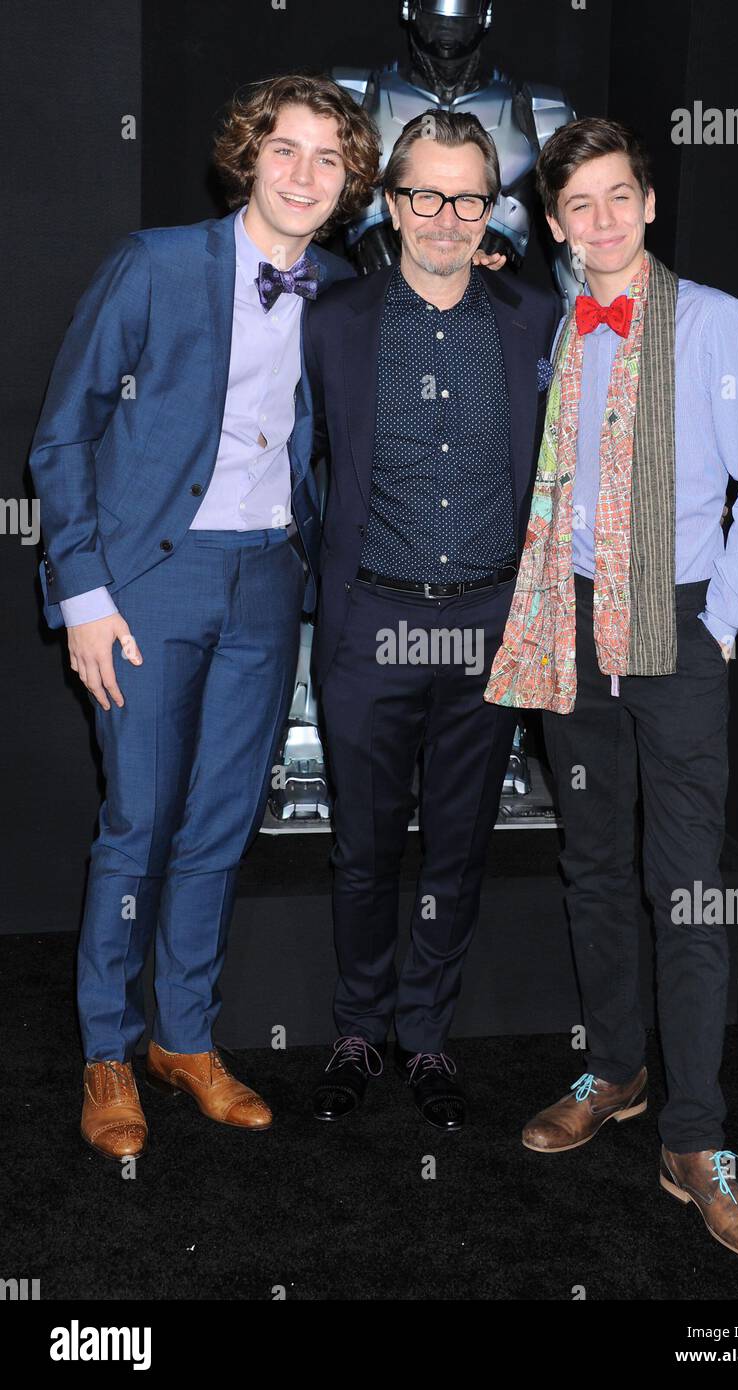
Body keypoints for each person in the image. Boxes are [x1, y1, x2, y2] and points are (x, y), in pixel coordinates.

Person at [28, 74, 379, 1161]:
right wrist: (82, 593)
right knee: (137, 824)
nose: (304, 172)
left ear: (348, 184)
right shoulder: (157, 262)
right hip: (148, 584)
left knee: (222, 827)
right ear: (247, 156)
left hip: (268, 585)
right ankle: (105, 1047)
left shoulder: (338, 284)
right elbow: (63, 432)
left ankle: (184, 1039)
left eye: (329, 158)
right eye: (285, 149)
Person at [484, 117, 738, 1259]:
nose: (601, 220)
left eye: (620, 197)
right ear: (555, 225)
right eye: (580, 206)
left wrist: (717, 627)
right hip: (566, 621)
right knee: (590, 865)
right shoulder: (558, 326)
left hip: (673, 624)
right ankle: (613, 1068)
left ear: (647, 205)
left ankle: (695, 1140)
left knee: (688, 889)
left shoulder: (712, 321)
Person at [304, 110, 559, 1130]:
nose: (447, 217)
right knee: (362, 849)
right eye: (425, 195)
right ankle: (358, 1029)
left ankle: (428, 1036)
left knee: (455, 847)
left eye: (468, 196)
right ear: (390, 202)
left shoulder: (534, 316)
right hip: (370, 622)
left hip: (489, 623)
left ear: (491, 204)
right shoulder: (334, 321)